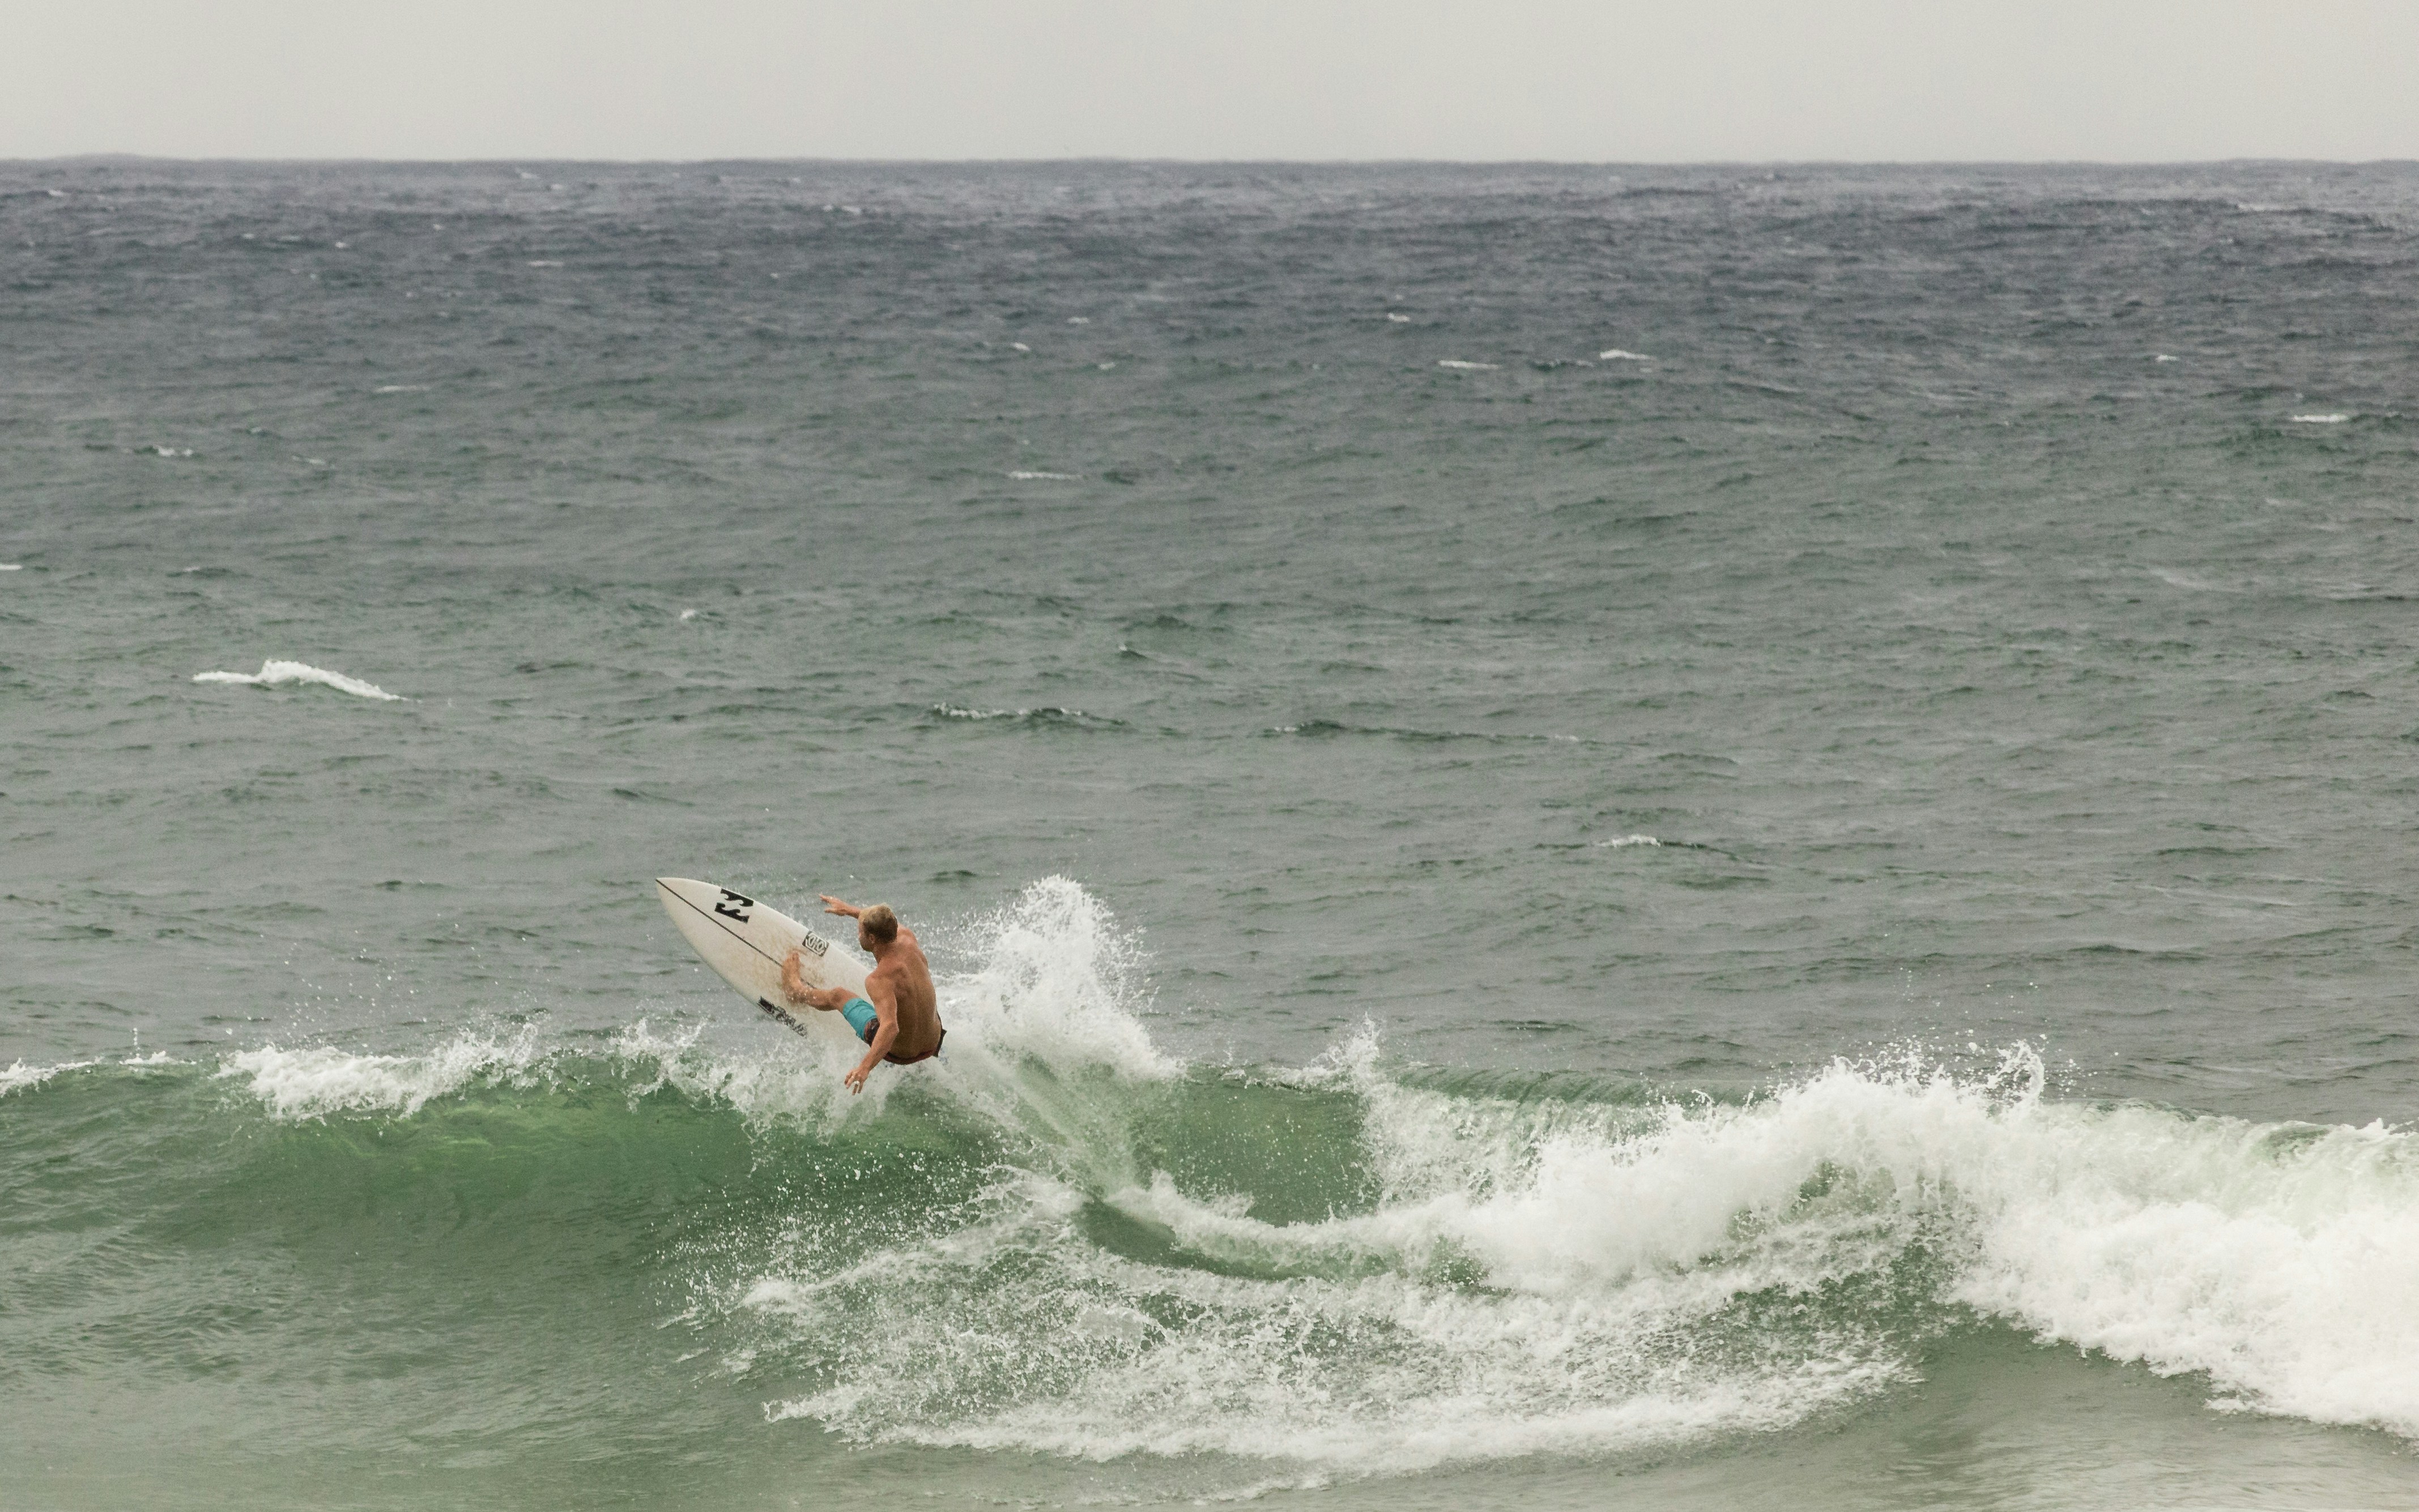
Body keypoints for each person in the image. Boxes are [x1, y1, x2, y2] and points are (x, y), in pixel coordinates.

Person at [781, 896, 944, 1092]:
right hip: (933, 1042)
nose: (858, 935)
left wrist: (864, 1067)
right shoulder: (908, 938)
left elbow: (891, 1027)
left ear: (872, 939)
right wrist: (849, 911)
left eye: (860, 931)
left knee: (839, 995)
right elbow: (884, 922)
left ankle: (795, 990)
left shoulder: (879, 980)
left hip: (901, 1054)